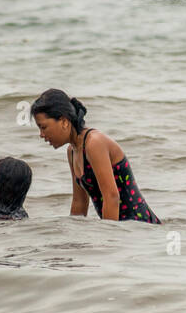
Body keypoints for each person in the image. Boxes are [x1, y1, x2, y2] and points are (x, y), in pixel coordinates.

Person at [31, 88, 160, 223]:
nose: (41, 135)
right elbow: (79, 201)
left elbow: (111, 197)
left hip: (140, 227)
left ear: (64, 121)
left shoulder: (94, 143)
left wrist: (107, 239)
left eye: (43, 127)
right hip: (123, 231)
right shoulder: (72, 151)